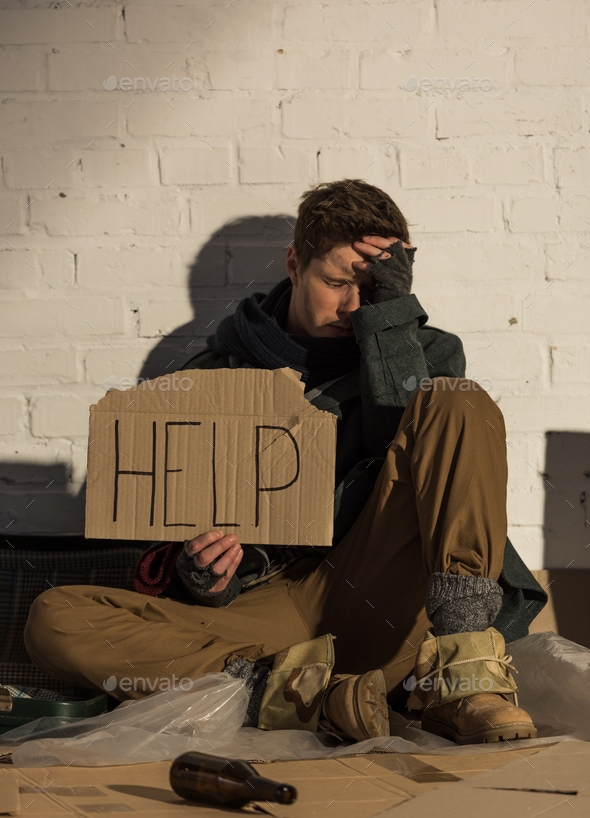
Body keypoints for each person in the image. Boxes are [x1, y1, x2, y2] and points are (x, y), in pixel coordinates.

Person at [25, 179, 547, 746]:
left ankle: (464, 682)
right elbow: (172, 537)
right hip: (269, 621)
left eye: (371, 287)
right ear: (295, 264)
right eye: (337, 281)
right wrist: (203, 575)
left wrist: (390, 316)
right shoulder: (211, 374)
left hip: (387, 587)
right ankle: (304, 699)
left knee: (459, 398)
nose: (352, 305)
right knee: (55, 616)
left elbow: (390, 447)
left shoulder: (429, 354)